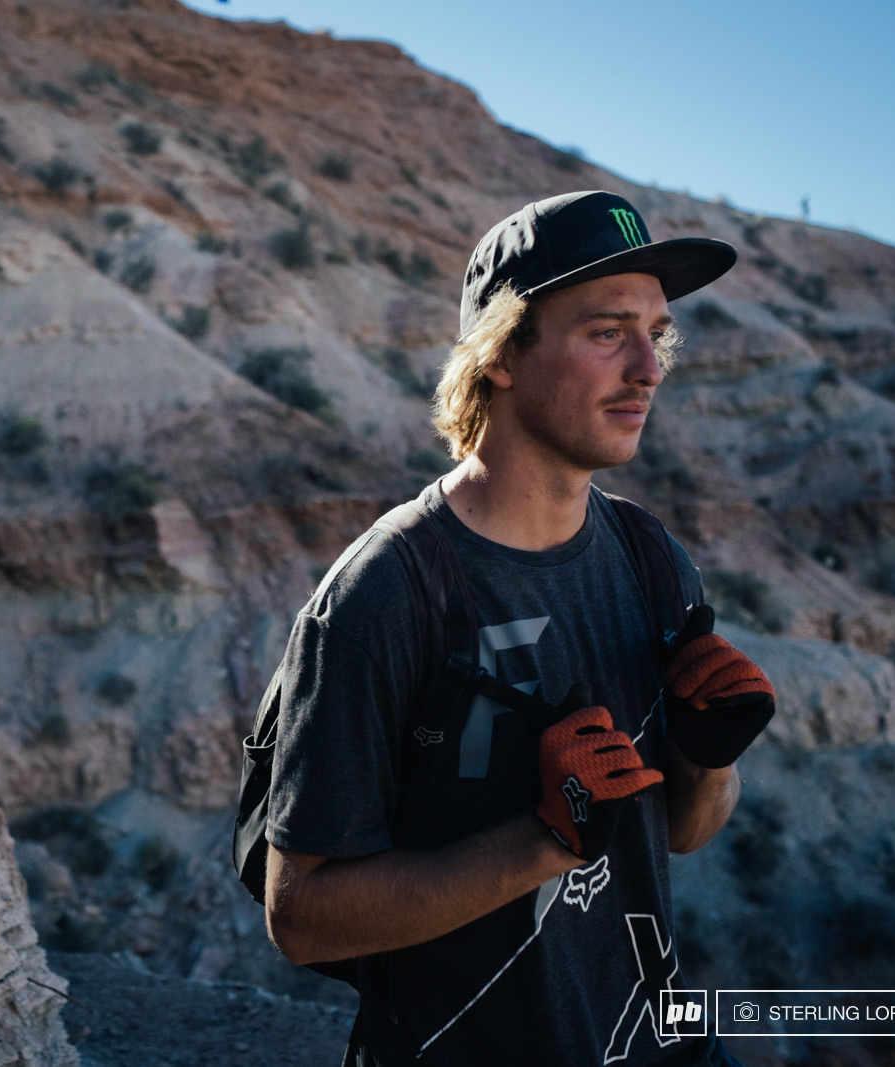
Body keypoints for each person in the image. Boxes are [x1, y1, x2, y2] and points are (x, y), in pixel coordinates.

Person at [262, 191, 775, 1065]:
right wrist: (543, 838)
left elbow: (683, 830)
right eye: (609, 330)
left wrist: (711, 754)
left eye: (658, 332)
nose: (650, 366)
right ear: (501, 353)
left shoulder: (652, 557)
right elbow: (302, 919)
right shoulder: (385, 592)